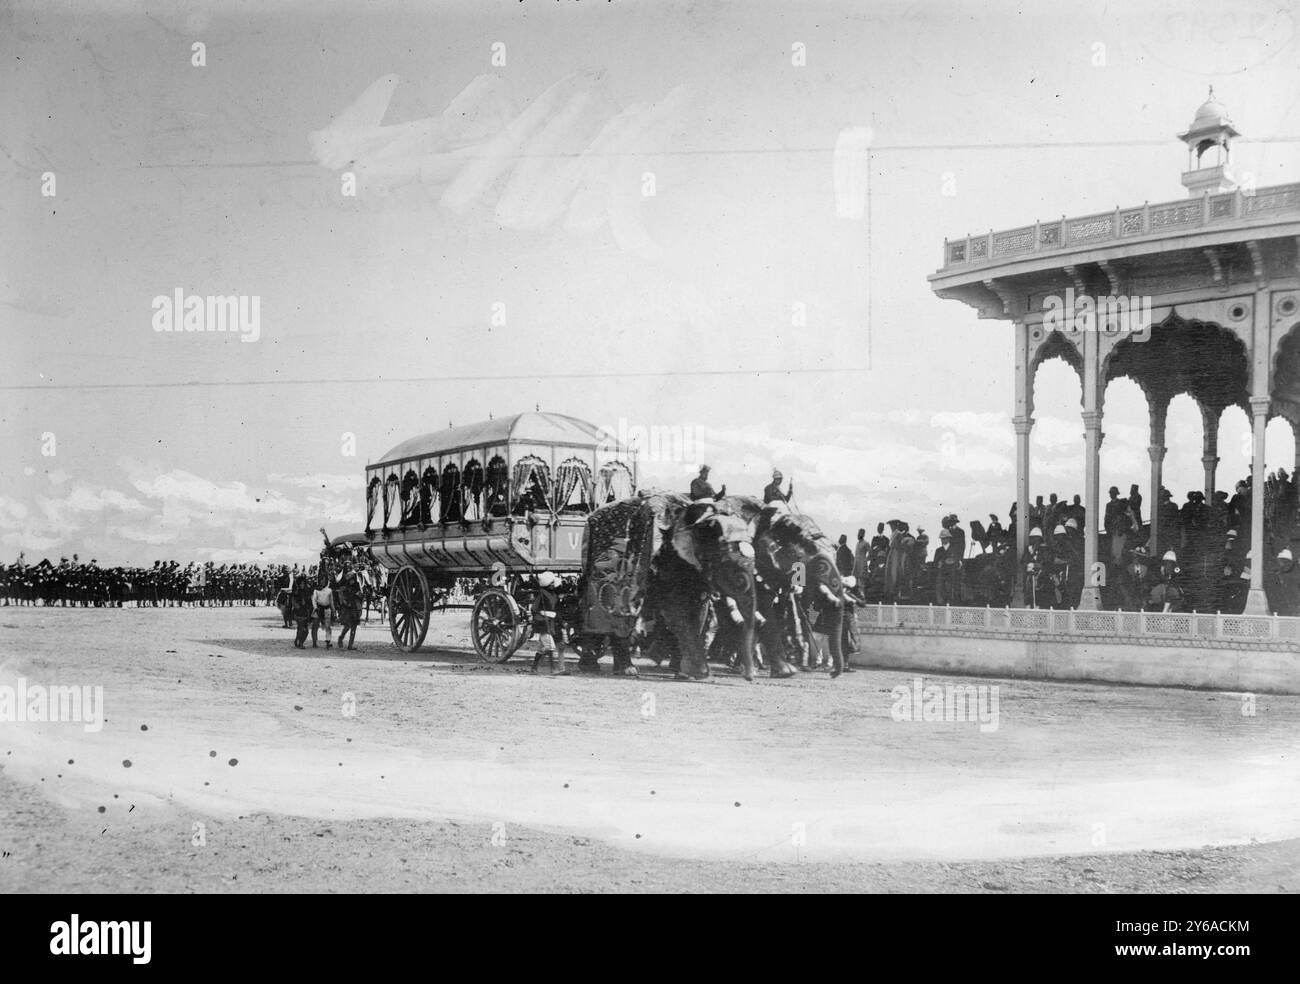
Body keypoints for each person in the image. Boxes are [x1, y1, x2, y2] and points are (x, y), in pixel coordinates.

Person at [530, 571, 569, 676]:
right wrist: (543, 614)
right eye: (551, 583)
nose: (553, 584)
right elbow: (534, 609)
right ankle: (553, 669)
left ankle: (533, 668)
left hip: (550, 623)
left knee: (542, 648)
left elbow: (555, 610)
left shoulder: (553, 595)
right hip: (543, 623)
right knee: (550, 647)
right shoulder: (541, 595)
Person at [312, 576, 334, 649]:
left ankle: (328, 642)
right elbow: (314, 600)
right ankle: (314, 642)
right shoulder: (316, 590)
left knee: (328, 626)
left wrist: (333, 610)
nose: (322, 582)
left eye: (324, 580)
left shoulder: (329, 590)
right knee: (315, 626)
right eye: (321, 580)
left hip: (327, 609)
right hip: (318, 609)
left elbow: (331, 601)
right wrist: (315, 607)